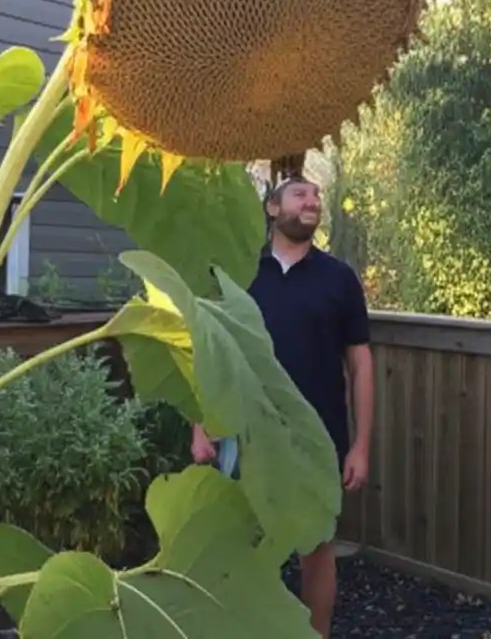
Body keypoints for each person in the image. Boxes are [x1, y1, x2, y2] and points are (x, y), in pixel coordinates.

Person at [191, 173, 375, 638]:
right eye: (300, 194)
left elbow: (361, 364)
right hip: (241, 435)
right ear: (272, 209)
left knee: (316, 550)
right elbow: (207, 349)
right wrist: (198, 425)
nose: (312, 201)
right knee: (239, 549)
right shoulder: (238, 271)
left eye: (316, 195)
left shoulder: (339, 279)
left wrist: (361, 446)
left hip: (314, 438)